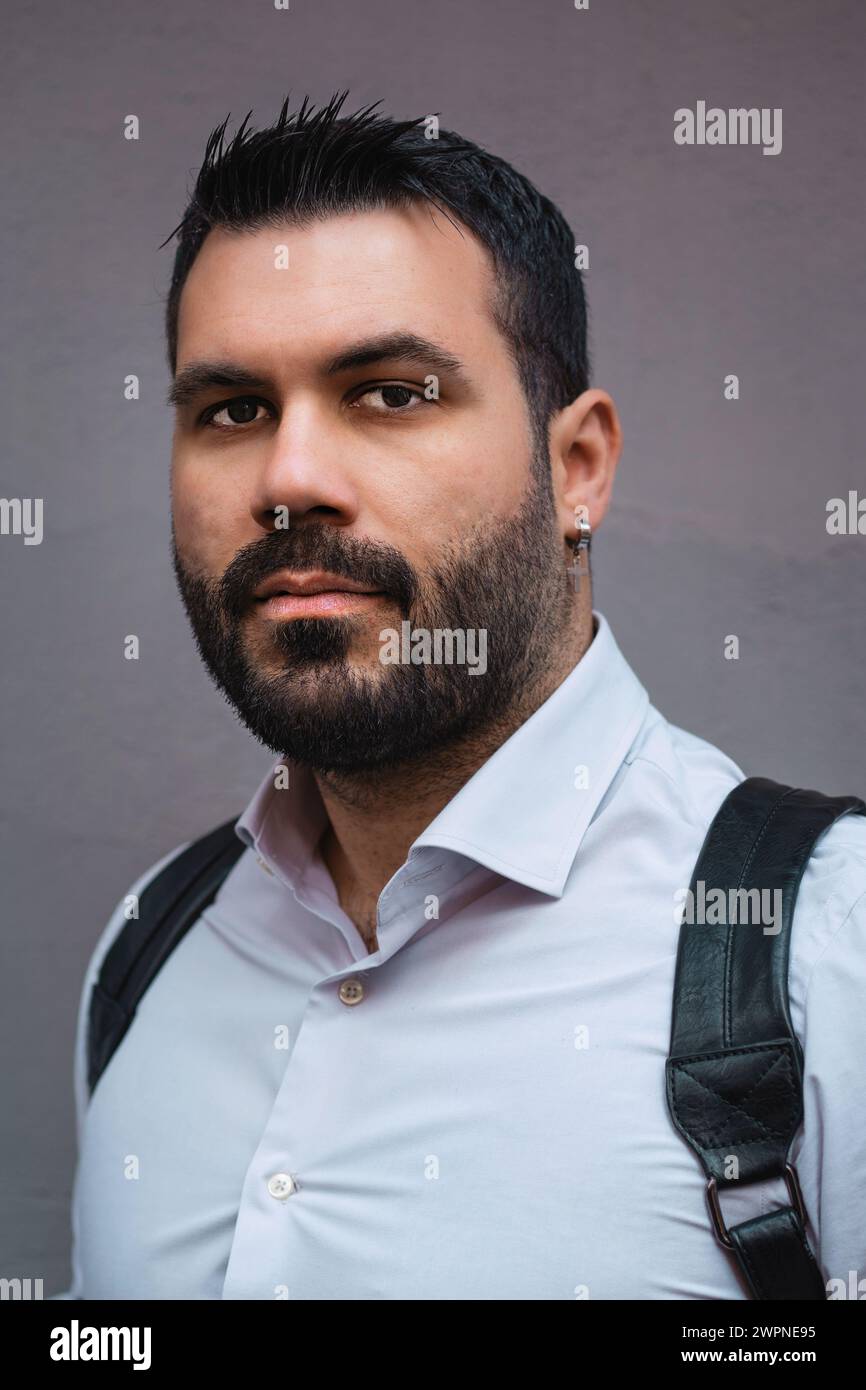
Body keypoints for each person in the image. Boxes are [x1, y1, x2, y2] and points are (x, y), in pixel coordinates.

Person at [57, 92, 866, 1300]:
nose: (288, 479)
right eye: (232, 410)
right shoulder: (151, 945)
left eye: (389, 392)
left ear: (575, 466)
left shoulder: (824, 954)